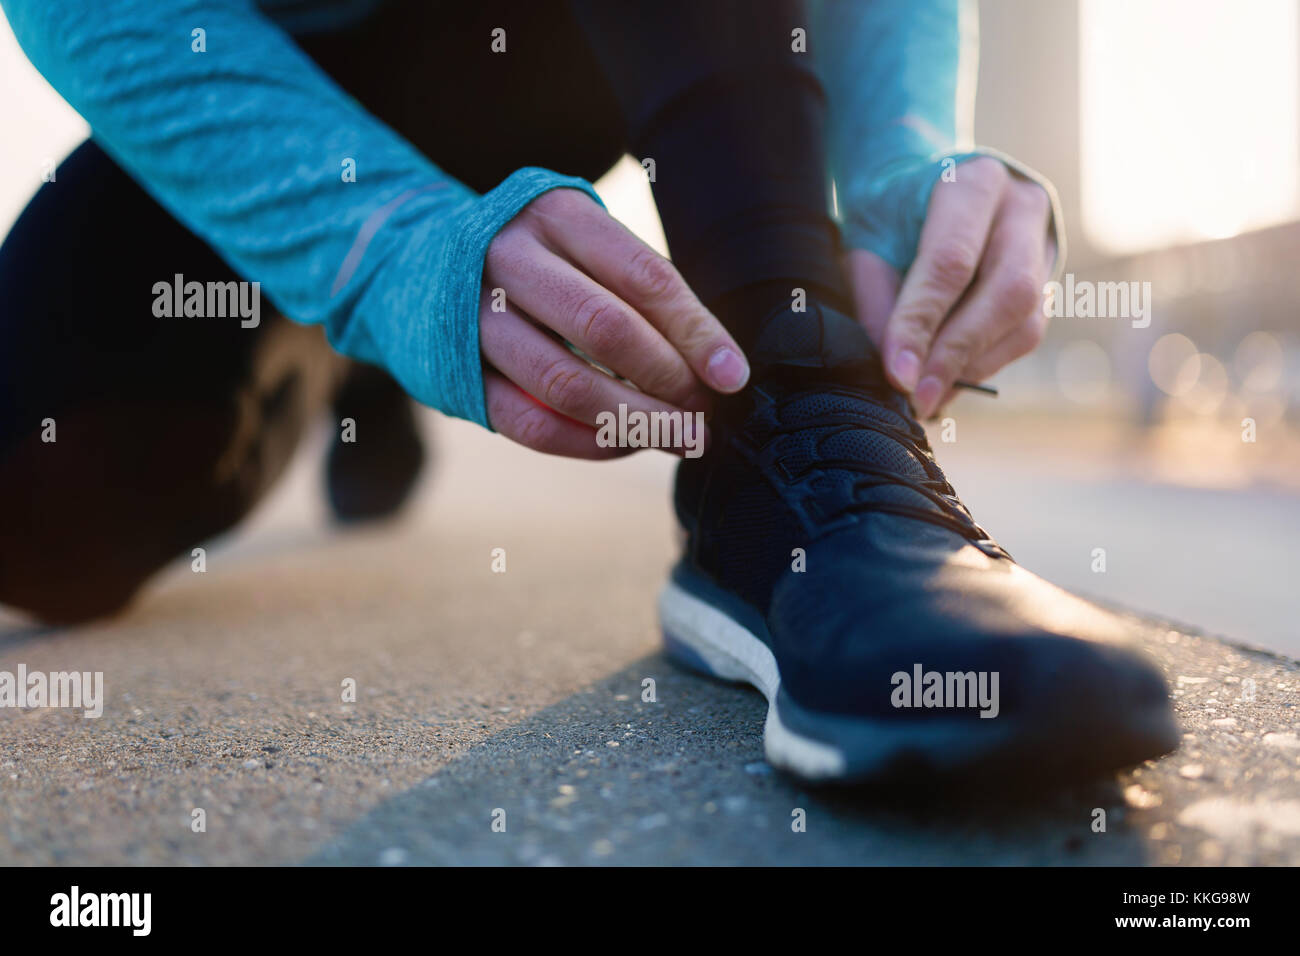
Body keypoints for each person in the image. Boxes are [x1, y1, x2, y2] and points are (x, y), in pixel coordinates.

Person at [0, 0, 1177, 783]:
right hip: (257, 69)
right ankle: (364, 379)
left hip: (562, 44)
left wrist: (896, 152)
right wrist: (385, 255)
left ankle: (795, 415)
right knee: (38, 523)